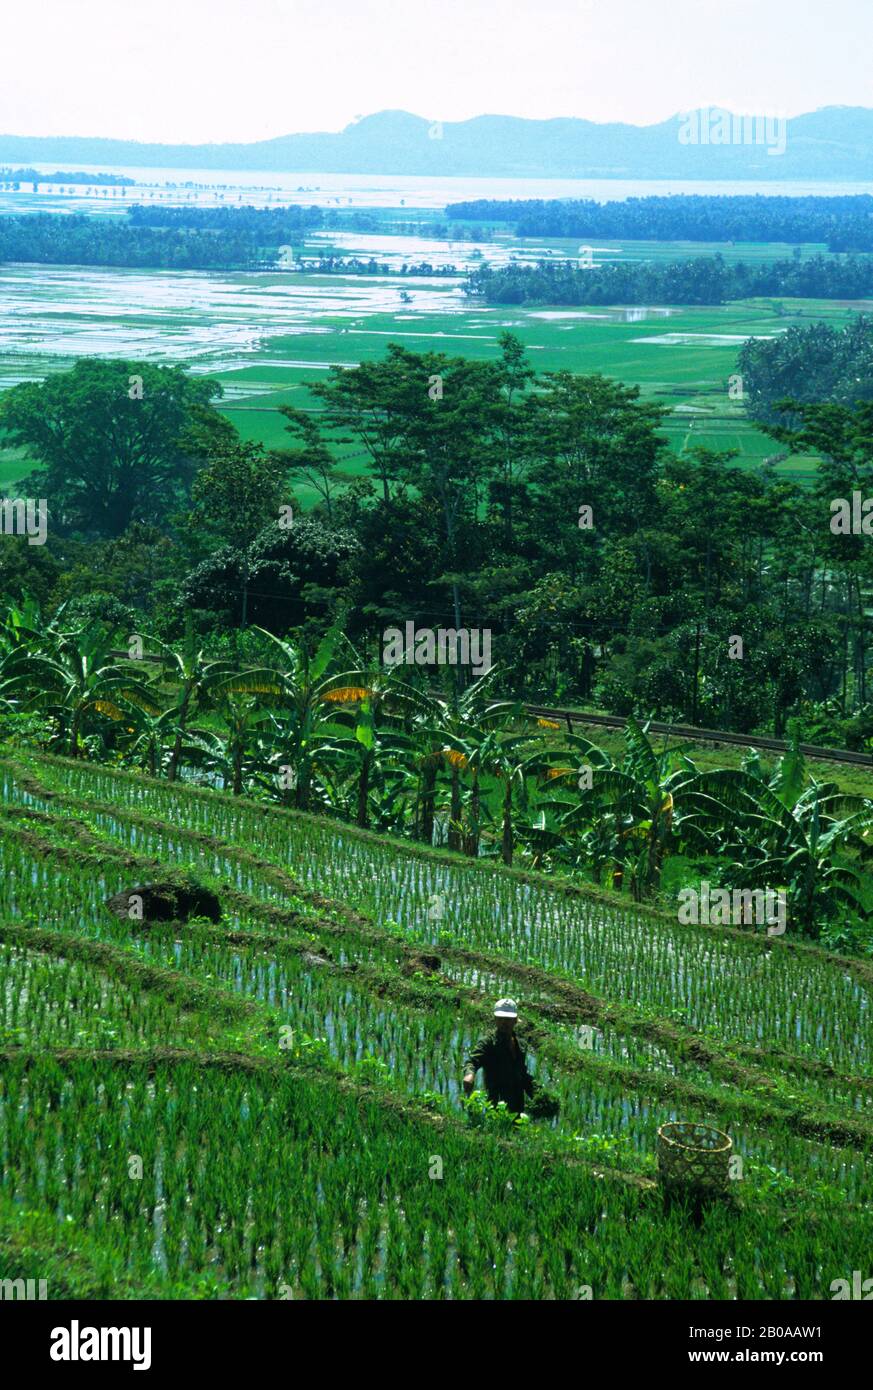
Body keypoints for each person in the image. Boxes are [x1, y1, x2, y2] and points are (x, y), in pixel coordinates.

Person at [463, 997, 536, 1114]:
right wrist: (470, 1074)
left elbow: (522, 1074)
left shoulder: (520, 1045)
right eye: (501, 1018)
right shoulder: (488, 1043)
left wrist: (537, 1093)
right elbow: (472, 1062)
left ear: (515, 1020)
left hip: (517, 1104)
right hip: (496, 1103)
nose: (504, 1022)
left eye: (508, 1019)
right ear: (495, 1019)